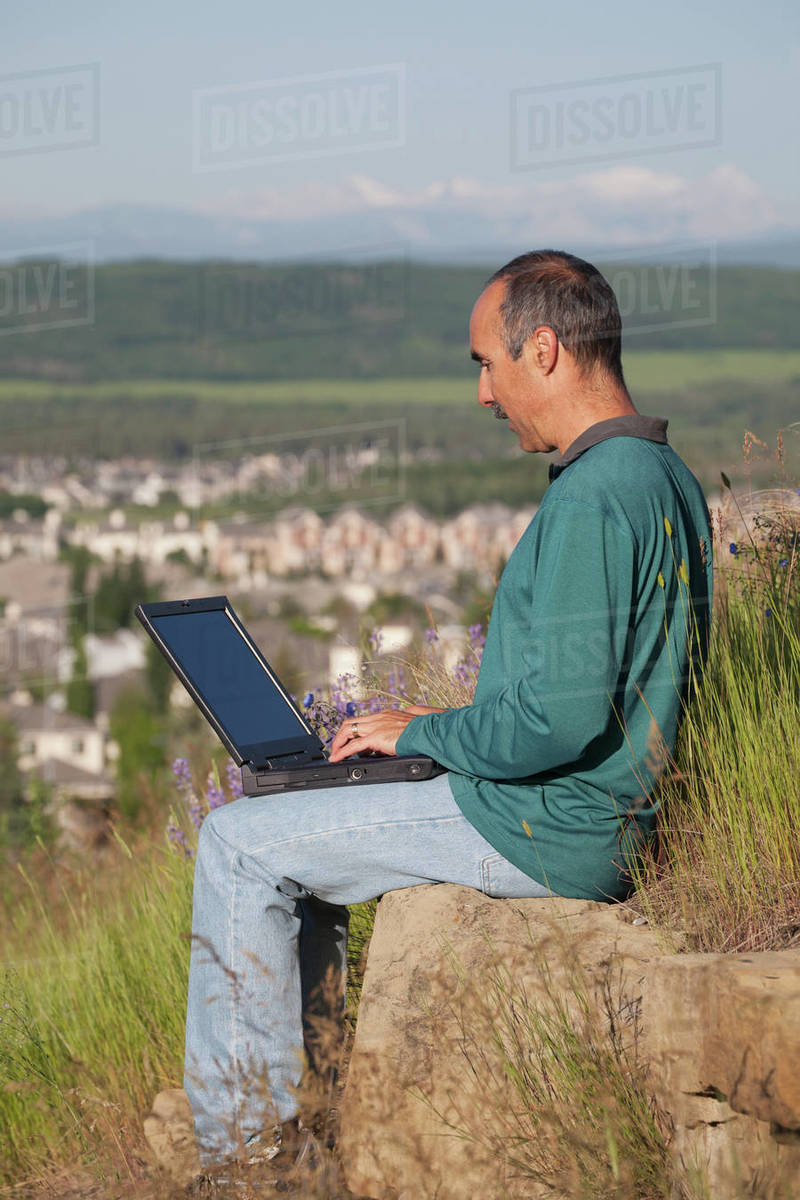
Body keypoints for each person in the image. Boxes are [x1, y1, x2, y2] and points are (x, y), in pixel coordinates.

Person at [179, 249, 713, 1170]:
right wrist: (435, 731)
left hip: (550, 822)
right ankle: (304, 1114)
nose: (483, 393)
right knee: (294, 831)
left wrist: (421, 735)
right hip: (598, 813)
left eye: (485, 363)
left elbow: (559, 723)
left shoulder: (594, 497)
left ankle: (246, 1165)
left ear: (542, 350)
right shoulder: (661, 475)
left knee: (237, 846)